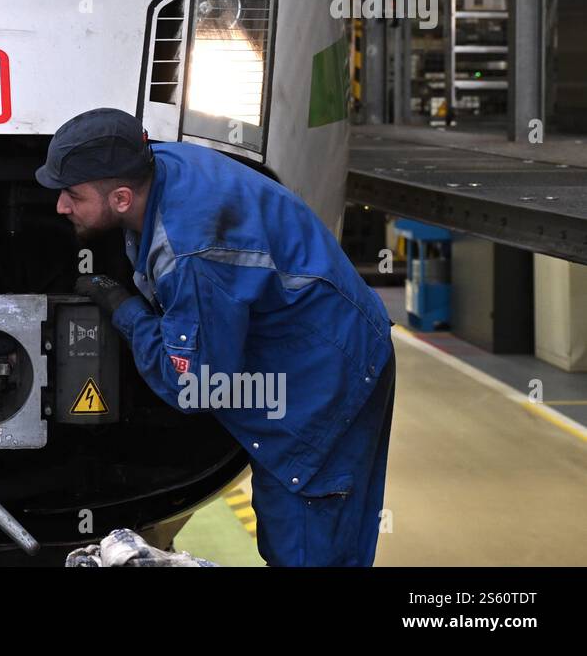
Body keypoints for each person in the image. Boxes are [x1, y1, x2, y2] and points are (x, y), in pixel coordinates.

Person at [37, 108, 395, 567]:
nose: (61, 208)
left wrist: (122, 308)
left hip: (324, 381)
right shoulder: (157, 165)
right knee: (288, 526)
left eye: (72, 195)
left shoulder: (192, 256)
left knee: (309, 545)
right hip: (314, 343)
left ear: (123, 198)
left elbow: (194, 387)